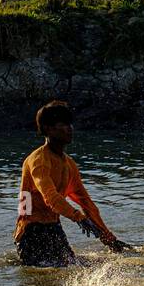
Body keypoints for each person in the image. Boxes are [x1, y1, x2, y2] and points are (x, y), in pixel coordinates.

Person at [14, 100, 125, 266]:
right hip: (30, 232)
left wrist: (108, 237)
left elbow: (86, 203)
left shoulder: (69, 164)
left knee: (77, 266)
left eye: (70, 124)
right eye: (63, 124)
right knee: (53, 272)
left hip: (54, 228)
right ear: (48, 129)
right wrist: (78, 218)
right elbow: (50, 198)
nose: (69, 128)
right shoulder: (39, 161)